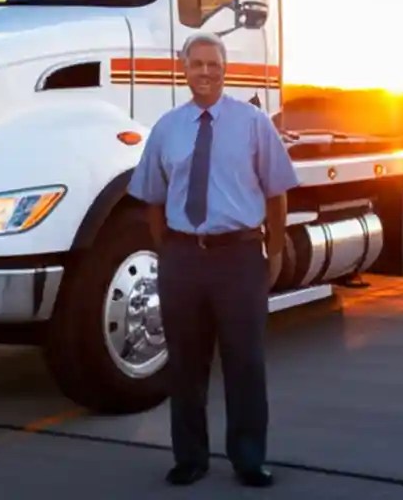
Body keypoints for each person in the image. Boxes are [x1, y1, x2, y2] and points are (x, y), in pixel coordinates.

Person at [127, 31, 300, 488]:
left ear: (226, 70)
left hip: (240, 257)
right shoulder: (167, 128)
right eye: (196, 64)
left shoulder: (253, 124)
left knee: (245, 361)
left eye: (213, 64)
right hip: (184, 259)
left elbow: (276, 192)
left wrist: (275, 251)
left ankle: (248, 458)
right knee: (185, 364)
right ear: (183, 70)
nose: (205, 72)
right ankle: (190, 457)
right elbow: (153, 199)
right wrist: (173, 250)